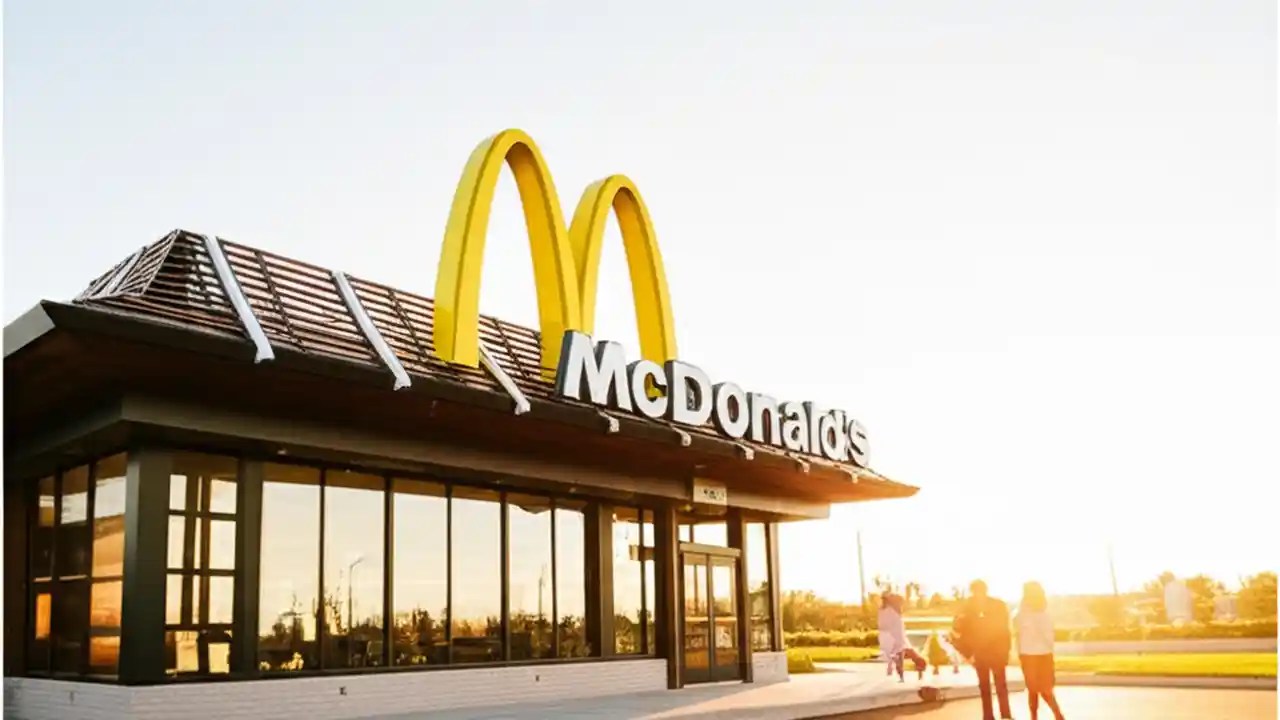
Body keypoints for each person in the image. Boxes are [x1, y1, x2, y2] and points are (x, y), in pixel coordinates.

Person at [953, 580, 1013, 720]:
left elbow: (1004, 629)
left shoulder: (997, 605)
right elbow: (958, 630)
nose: (978, 594)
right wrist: (968, 653)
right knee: (986, 686)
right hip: (981, 652)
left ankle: (1003, 715)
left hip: (994, 652)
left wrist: (1006, 650)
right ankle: (991, 715)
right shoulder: (968, 607)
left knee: (998, 686)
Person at [1016, 581, 1065, 720]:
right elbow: (1019, 633)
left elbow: (1046, 634)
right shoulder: (1026, 612)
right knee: (1035, 689)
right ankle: (1046, 715)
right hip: (1032, 654)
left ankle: (1056, 715)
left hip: (1038, 654)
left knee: (1041, 689)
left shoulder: (1037, 612)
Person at [878, 592, 927, 681]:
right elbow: (885, 624)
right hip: (891, 635)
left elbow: (893, 624)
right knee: (899, 654)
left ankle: (905, 672)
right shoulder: (887, 610)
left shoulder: (890, 610)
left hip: (893, 635)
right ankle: (903, 672)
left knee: (900, 654)